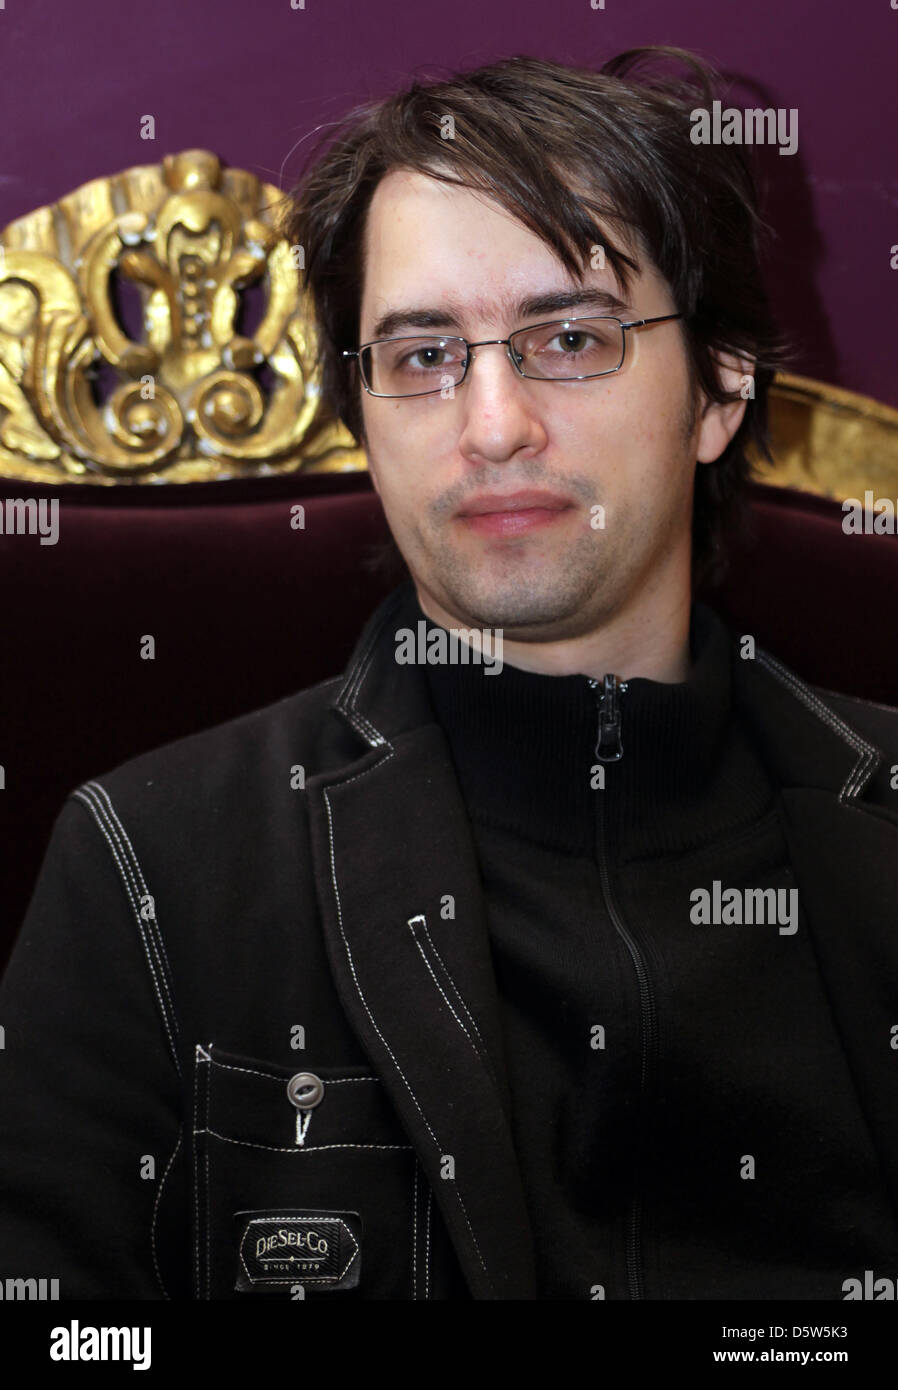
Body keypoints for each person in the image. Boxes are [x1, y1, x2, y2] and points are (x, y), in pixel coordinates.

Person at [2, 46, 897, 1303]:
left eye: (570, 336)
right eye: (423, 357)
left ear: (719, 387)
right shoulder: (144, 868)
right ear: (361, 416)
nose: (492, 425)